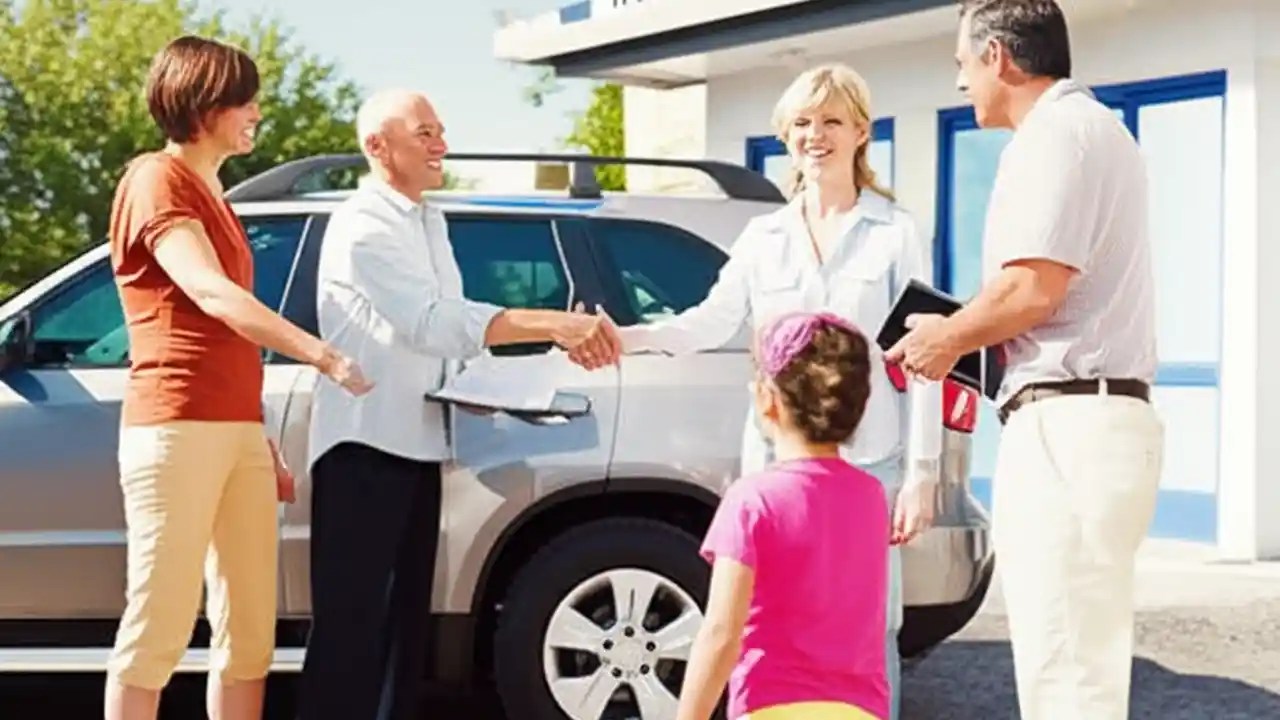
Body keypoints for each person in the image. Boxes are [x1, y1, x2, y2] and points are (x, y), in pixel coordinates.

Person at [607, 63, 941, 719]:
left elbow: (924, 355)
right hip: (775, 466)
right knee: (763, 624)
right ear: (786, 135)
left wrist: (922, 472)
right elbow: (706, 323)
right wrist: (625, 337)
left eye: (831, 122)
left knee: (872, 633)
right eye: (802, 124)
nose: (815, 135)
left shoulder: (895, 232)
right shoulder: (764, 237)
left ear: (861, 133)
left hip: (869, 463)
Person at [297, 88, 621, 720]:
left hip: (420, 446)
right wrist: (550, 325)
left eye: (440, 130)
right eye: (424, 132)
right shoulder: (364, 223)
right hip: (363, 450)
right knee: (351, 640)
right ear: (377, 147)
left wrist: (507, 380)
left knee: (401, 641)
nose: (440, 143)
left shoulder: (430, 221)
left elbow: (448, 346)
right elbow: (429, 321)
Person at [886, 1, 1164, 718]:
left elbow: (1031, 287)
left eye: (961, 65)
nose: (959, 85)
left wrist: (944, 339)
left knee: (1065, 668)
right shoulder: (1095, 131)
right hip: (1090, 418)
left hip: (1068, 425)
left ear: (1000, 57)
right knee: (1079, 664)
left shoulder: (1055, 136)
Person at [104, 35, 371, 720]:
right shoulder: (155, 181)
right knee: (159, 625)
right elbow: (212, 295)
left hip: (233, 431)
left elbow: (227, 338)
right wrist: (323, 355)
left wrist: (257, 437)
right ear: (201, 104)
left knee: (250, 632)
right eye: (243, 99)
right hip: (174, 427)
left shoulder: (214, 193)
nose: (257, 111)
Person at [676, 311, 889, 720]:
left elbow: (722, 632)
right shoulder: (871, 496)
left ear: (767, 400)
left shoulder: (752, 501)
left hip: (772, 706)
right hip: (860, 709)